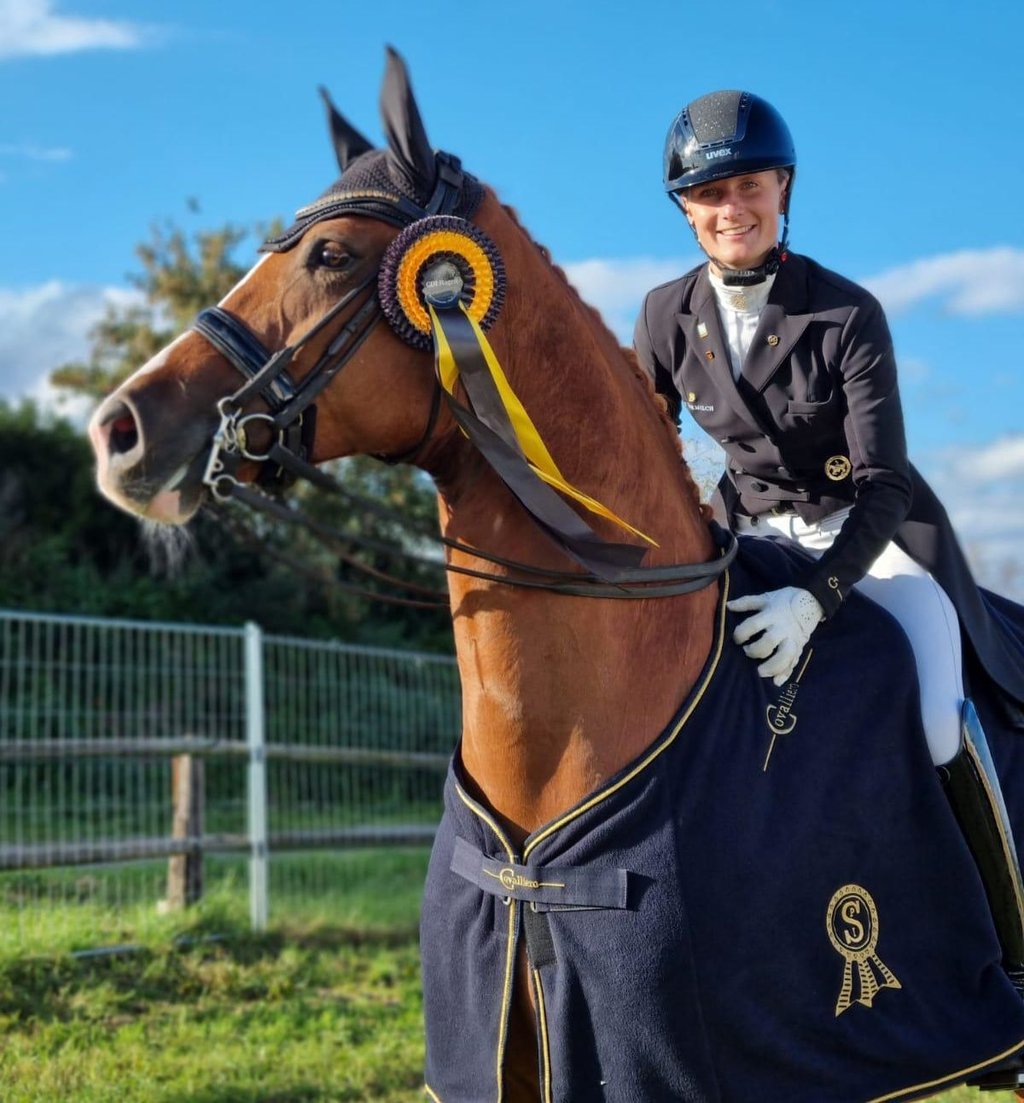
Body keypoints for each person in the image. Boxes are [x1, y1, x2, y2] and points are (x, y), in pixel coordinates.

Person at [633, 89, 1024, 997]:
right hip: (748, 536)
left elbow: (885, 482)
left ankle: (1013, 951)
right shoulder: (660, 315)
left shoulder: (847, 313)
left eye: (750, 186)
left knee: (934, 710)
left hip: (868, 539)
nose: (732, 208)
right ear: (686, 209)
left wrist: (819, 597)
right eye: (709, 193)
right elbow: (643, 444)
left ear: (783, 189)